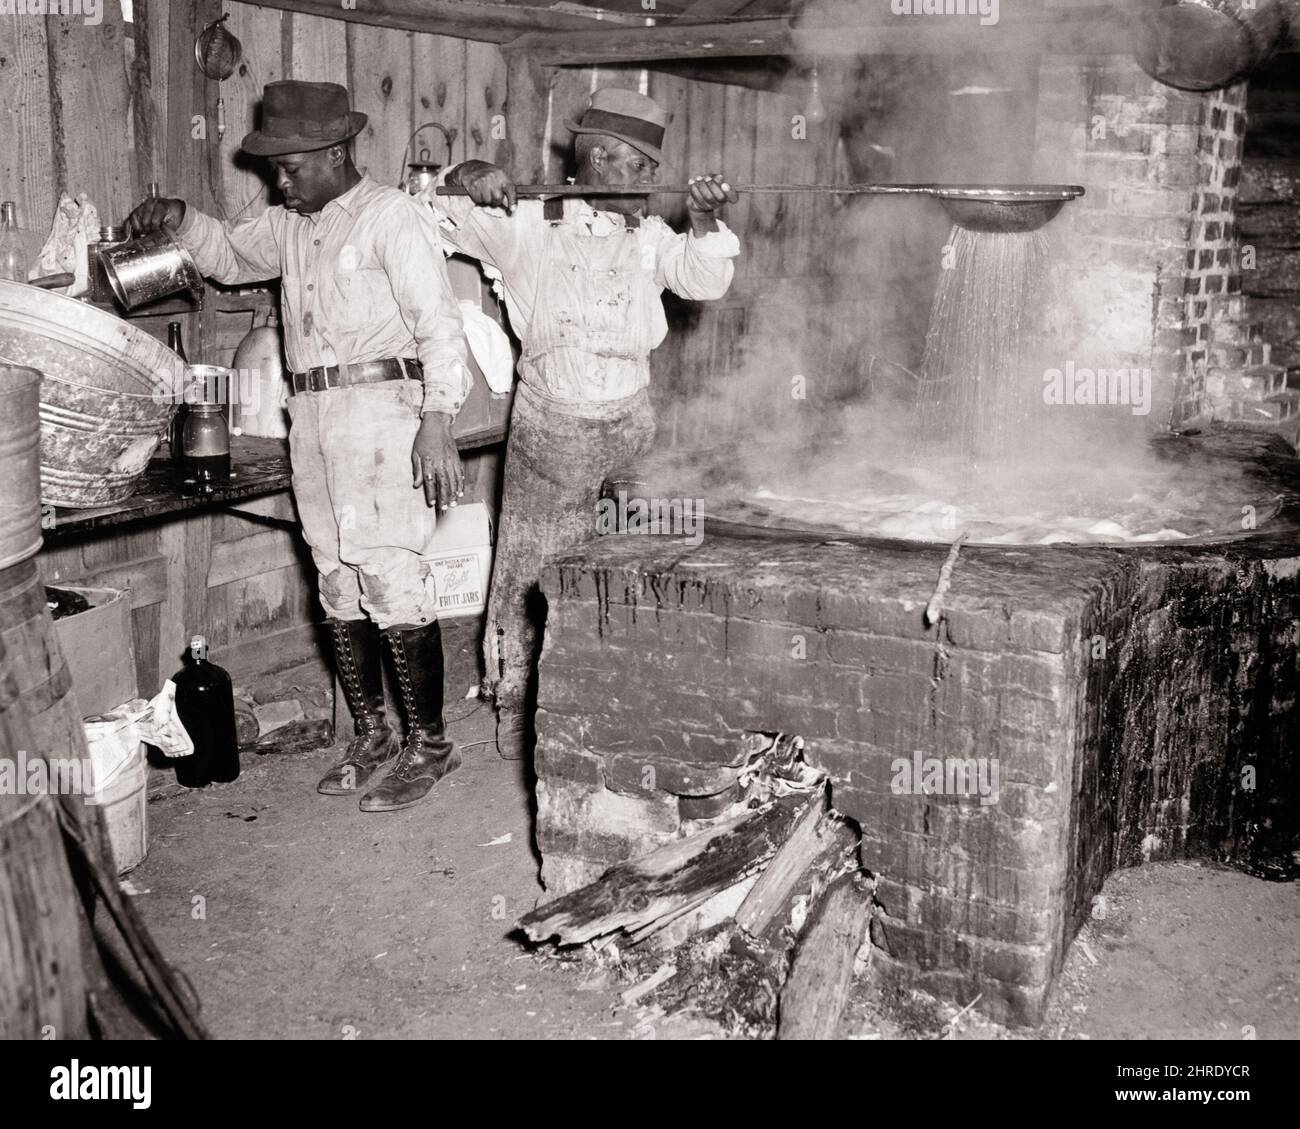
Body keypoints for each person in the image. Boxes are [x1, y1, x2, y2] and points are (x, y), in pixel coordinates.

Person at [128, 80, 474, 812]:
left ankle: (432, 745)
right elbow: (223, 254)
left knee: (390, 578)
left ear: (340, 151)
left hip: (384, 416)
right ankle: (375, 733)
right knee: (337, 580)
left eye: (291, 166)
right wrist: (184, 219)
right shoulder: (290, 224)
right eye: (273, 166)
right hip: (311, 417)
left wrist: (439, 418)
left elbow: (441, 326)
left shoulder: (392, 217)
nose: (279, 180)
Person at [429, 87, 740, 758]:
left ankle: (612, 688)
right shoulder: (525, 226)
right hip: (553, 430)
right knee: (527, 572)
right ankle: (515, 704)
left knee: (632, 562)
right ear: (593, 159)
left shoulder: (652, 239)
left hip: (632, 427)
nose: (646, 182)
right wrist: (467, 177)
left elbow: (705, 280)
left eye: (651, 169)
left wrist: (706, 221)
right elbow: (436, 216)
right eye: (633, 166)